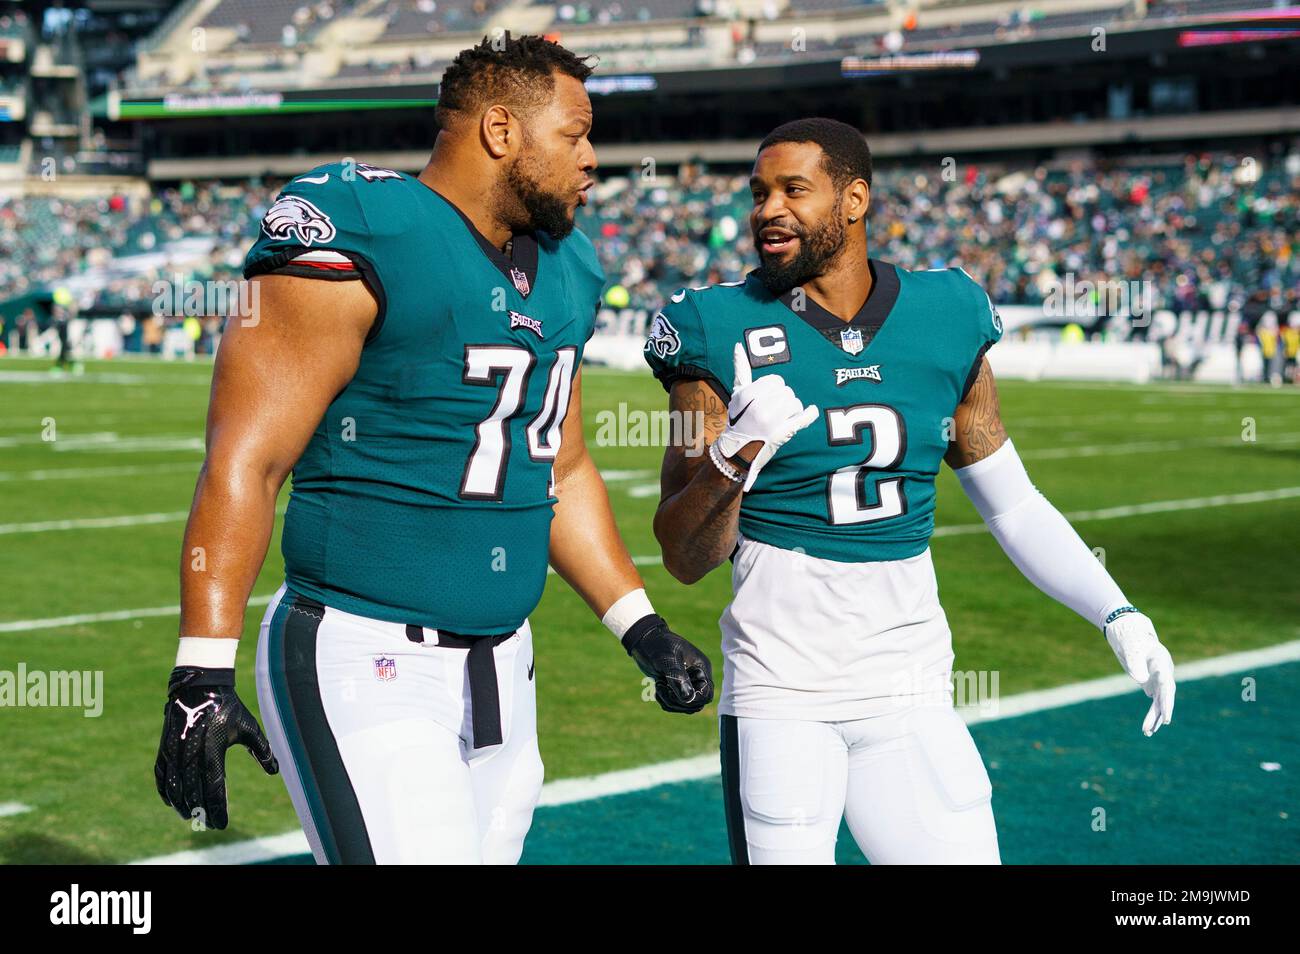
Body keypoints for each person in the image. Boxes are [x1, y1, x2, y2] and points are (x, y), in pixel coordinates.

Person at [153, 34, 714, 865]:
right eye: (575, 133)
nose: (594, 159)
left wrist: (640, 626)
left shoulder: (569, 266)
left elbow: (560, 464)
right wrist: (202, 671)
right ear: (500, 130)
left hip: (504, 671)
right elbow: (248, 458)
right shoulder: (365, 228)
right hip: (365, 654)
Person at [646, 117, 1175, 865]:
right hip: (781, 691)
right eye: (759, 192)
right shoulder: (715, 324)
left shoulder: (948, 312)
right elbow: (683, 554)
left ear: (854, 199)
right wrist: (735, 455)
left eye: (794, 190)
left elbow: (1014, 505)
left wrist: (1117, 613)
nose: (768, 209)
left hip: (911, 687)